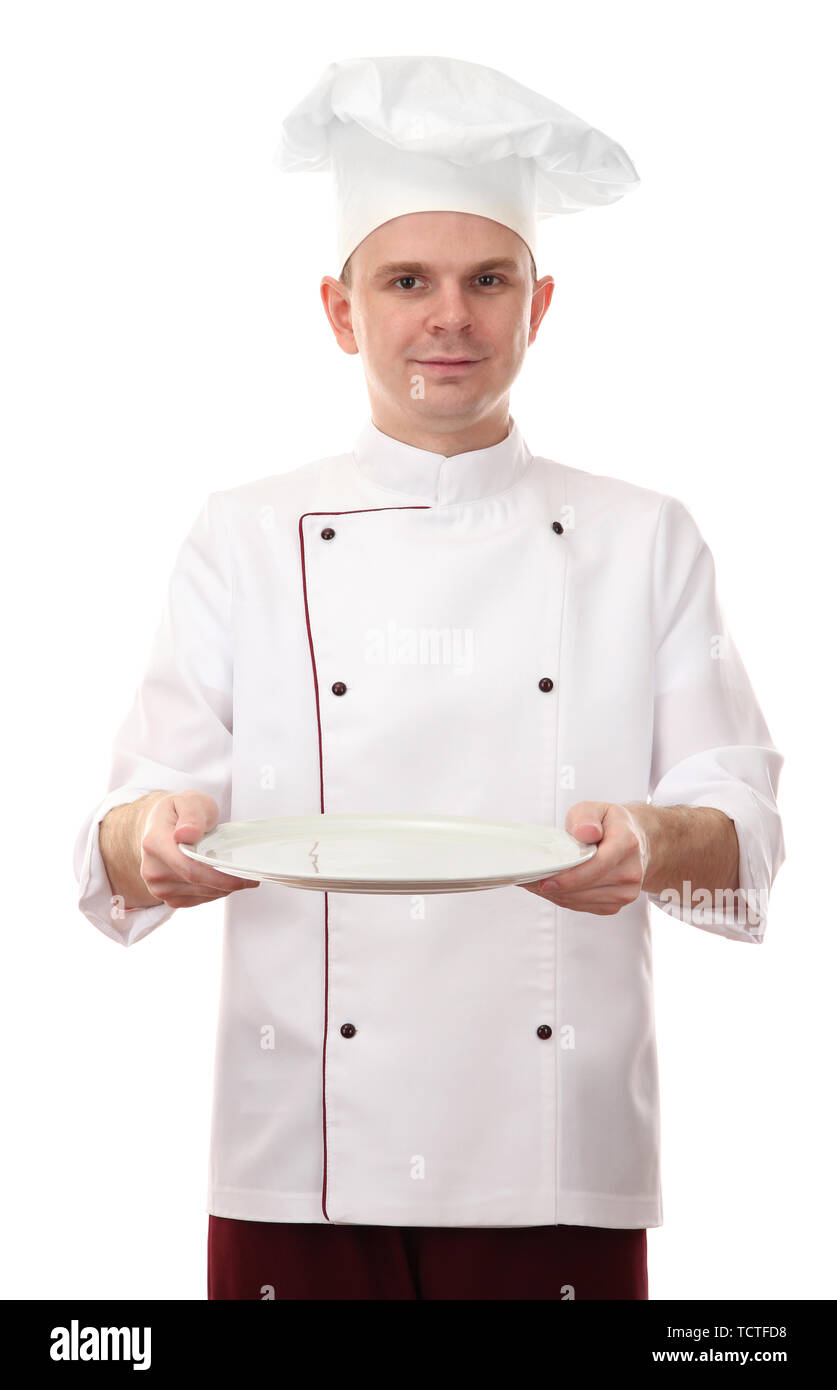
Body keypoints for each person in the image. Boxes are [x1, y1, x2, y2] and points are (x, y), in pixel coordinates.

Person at [73, 55, 785, 1301]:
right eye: (408, 281)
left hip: (555, 1149)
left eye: (486, 281)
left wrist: (656, 837)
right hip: (298, 1146)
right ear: (343, 311)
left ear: (538, 305)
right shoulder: (241, 532)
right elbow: (124, 831)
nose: (448, 317)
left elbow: (745, 821)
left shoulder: (645, 533)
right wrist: (156, 837)